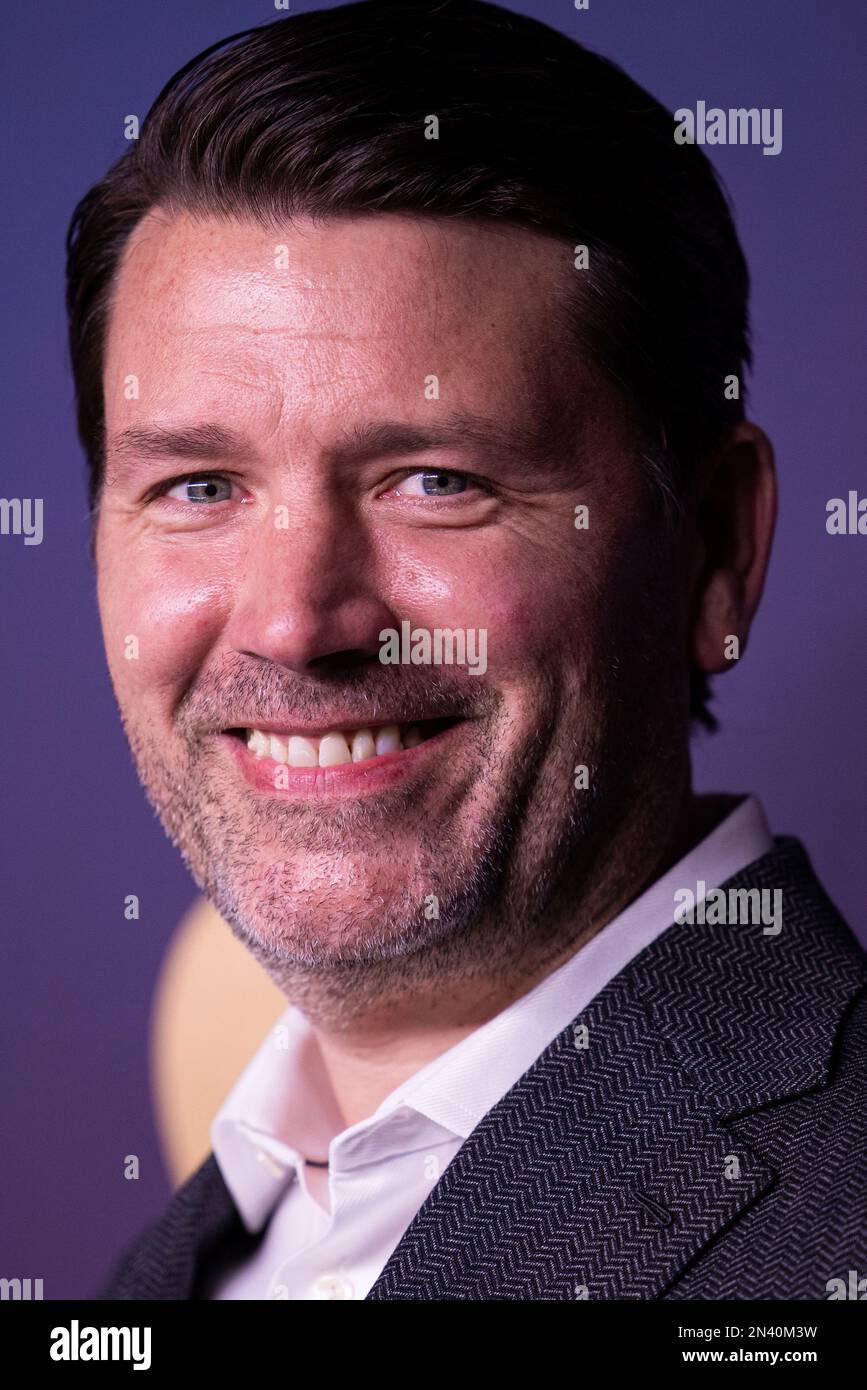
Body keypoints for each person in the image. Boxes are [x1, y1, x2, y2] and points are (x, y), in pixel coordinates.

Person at [65, 0, 865, 1300]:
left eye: (433, 479)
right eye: (201, 487)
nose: (292, 619)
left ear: (715, 549)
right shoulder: (173, 1274)